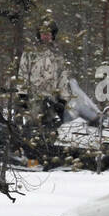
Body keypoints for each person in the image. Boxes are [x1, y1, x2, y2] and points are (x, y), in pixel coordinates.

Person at [15, 13, 72, 164]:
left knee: (51, 129)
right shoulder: (30, 52)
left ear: (53, 35)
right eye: (43, 33)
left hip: (52, 98)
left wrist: (63, 99)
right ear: (39, 34)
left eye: (48, 33)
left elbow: (63, 77)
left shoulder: (57, 54)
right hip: (35, 97)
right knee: (33, 127)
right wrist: (22, 94)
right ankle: (31, 160)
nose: (45, 36)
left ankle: (46, 159)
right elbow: (23, 72)